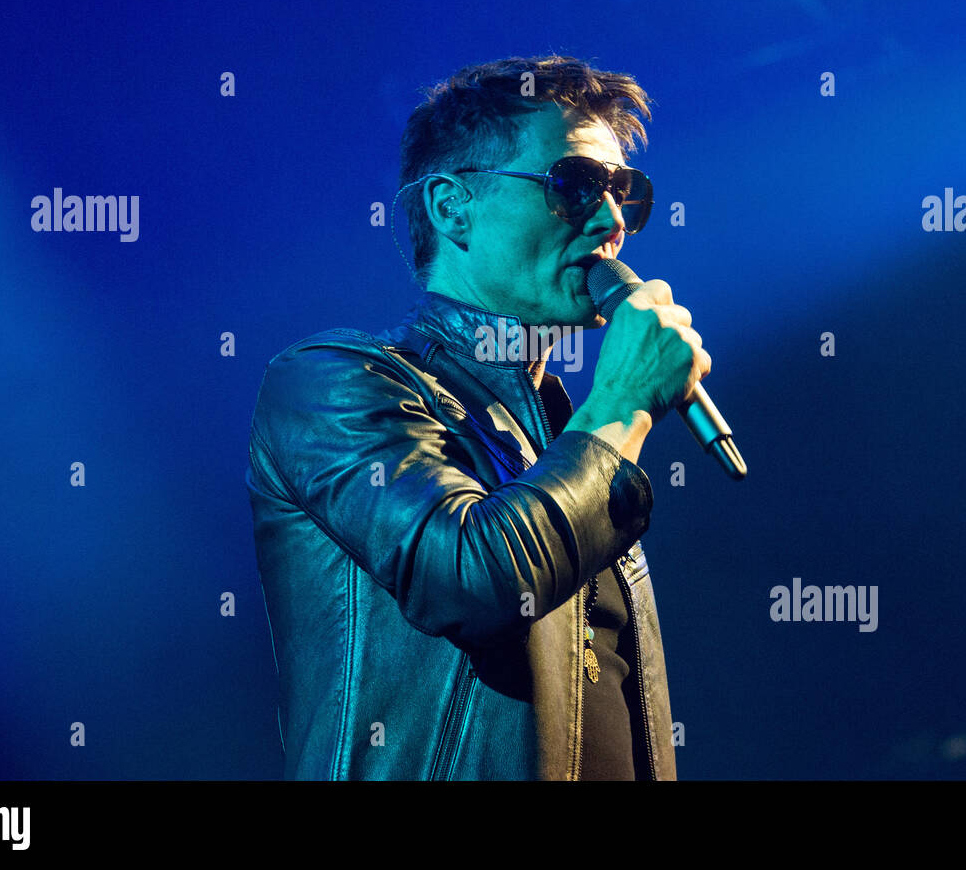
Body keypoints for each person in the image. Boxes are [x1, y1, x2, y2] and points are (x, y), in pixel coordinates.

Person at [245, 55, 711, 779]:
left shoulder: (563, 432)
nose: (614, 220)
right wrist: (621, 405)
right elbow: (466, 580)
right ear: (451, 207)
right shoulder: (331, 383)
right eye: (577, 185)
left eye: (626, 193)